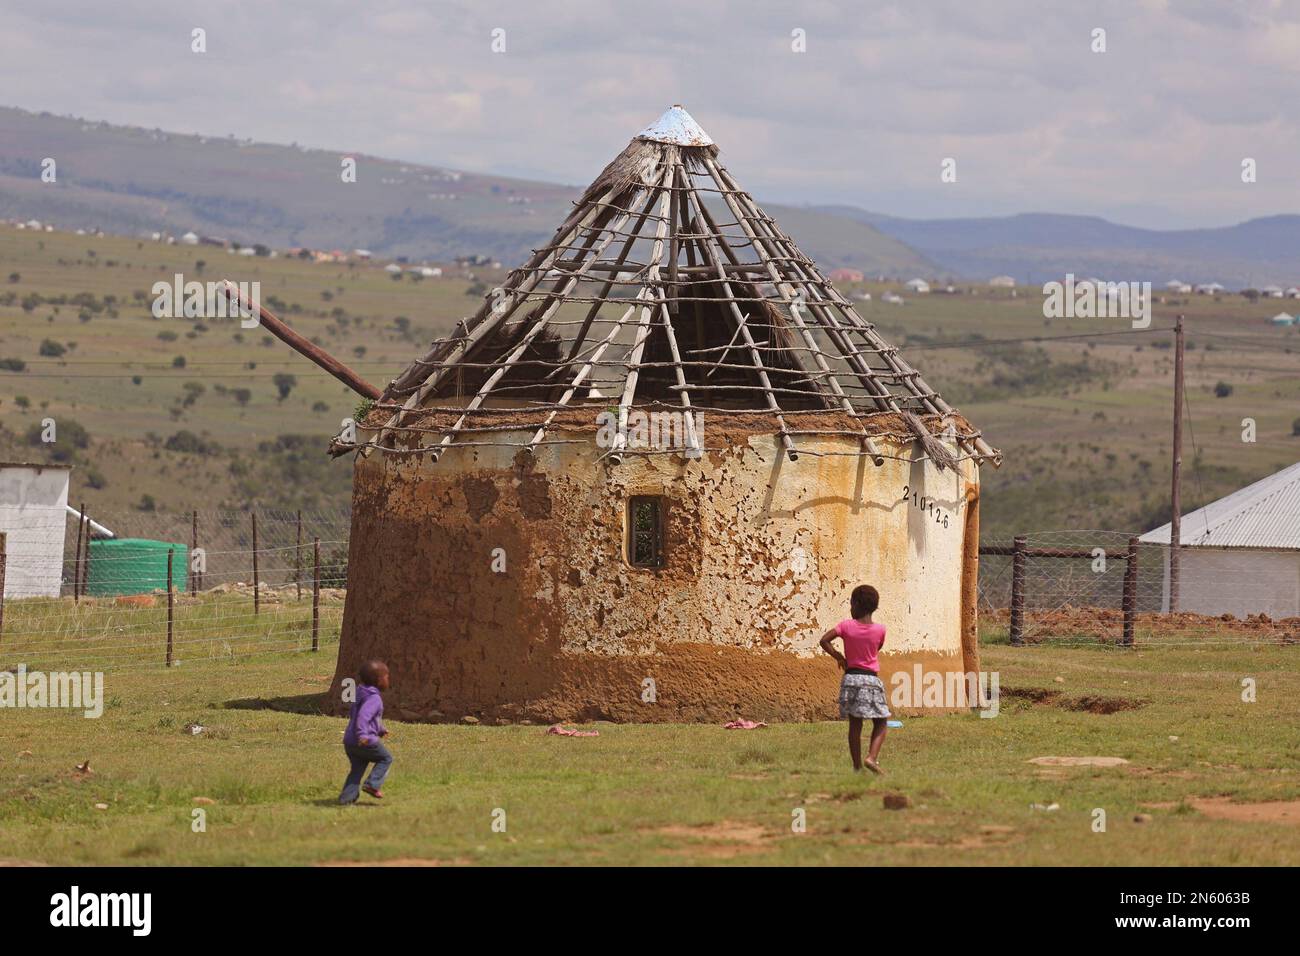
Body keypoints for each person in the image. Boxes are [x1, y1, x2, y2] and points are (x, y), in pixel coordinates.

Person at [819, 585, 891, 774]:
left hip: (850, 679)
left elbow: (824, 640)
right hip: (870, 680)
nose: (850, 607)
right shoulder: (880, 630)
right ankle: (872, 758)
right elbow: (876, 649)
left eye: (851, 603)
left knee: (855, 724)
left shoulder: (845, 626)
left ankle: (857, 767)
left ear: (857, 604)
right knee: (881, 721)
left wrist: (839, 657)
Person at [338, 659, 393, 803]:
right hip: (364, 740)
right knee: (385, 758)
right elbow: (364, 716)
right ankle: (372, 784)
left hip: (350, 741)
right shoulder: (374, 698)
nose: (388, 680)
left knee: (357, 769)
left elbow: (368, 717)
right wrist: (363, 735)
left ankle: (346, 798)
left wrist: (380, 729)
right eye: (387, 677)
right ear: (379, 680)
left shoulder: (360, 693)